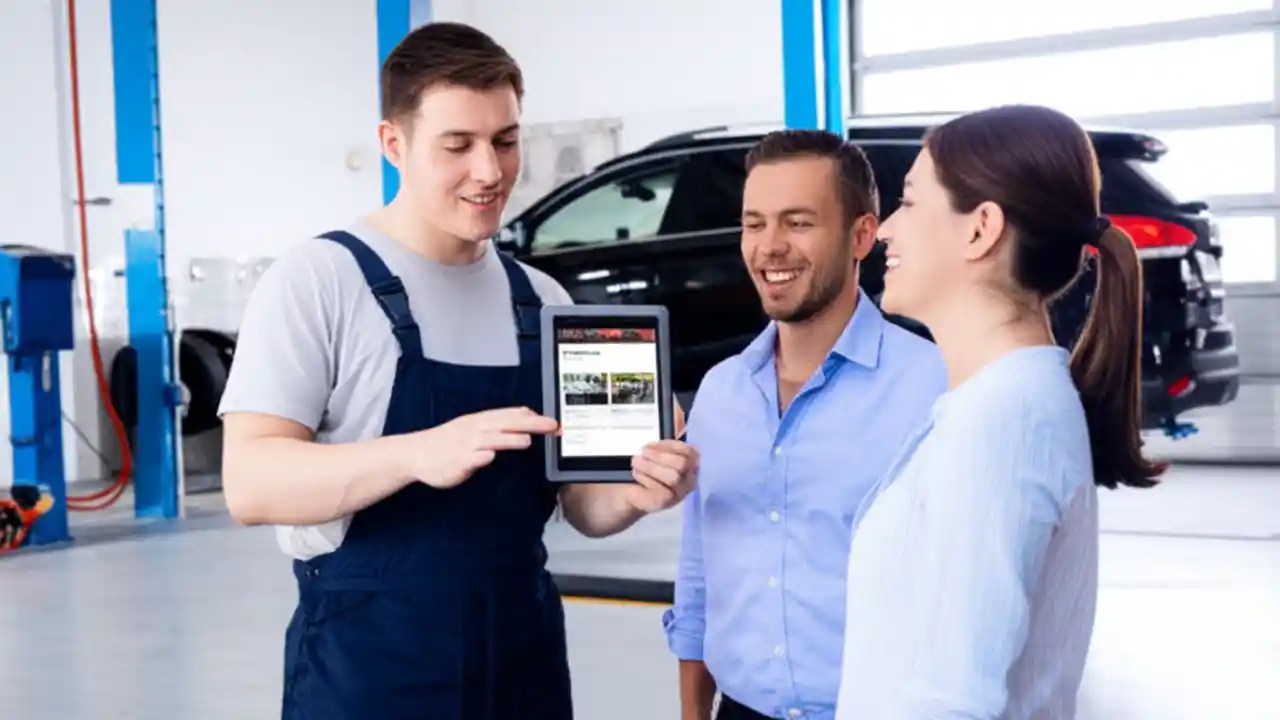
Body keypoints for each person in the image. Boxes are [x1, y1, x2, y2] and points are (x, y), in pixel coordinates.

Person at [217, 22, 698, 719]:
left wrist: (638, 490)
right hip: (371, 668)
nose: (490, 170)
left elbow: (582, 506)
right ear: (394, 144)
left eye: (505, 141)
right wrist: (420, 452)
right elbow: (251, 484)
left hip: (521, 660)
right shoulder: (321, 279)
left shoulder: (541, 301)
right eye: (458, 145)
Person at [834, 105, 1167, 719]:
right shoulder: (997, 404)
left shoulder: (1002, 424)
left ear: (980, 228)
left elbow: (950, 702)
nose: (884, 231)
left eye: (908, 202)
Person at [662, 130, 948, 720]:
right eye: (754, 223)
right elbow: (699, 583)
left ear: (861, 235)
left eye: (797, 223)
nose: (770, 247)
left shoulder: (933, 388)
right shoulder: (720, 392)